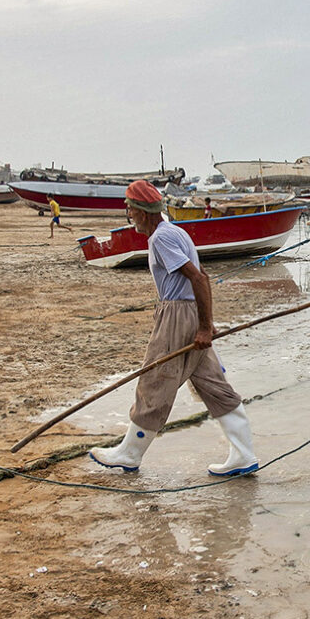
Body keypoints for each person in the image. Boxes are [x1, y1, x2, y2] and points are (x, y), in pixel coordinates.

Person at [90, 180, 257, 476]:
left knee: (155, 380)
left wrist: (205, 327)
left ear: (143, 212)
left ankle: (129, 454)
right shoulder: (177, 231)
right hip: (191, 311)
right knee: (212, 384)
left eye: (130, 210)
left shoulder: (161, 239)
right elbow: (203, 276)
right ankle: (244, 455)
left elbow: (198, 278)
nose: (129, 216)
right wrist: (205, 321)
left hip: (176, 314)